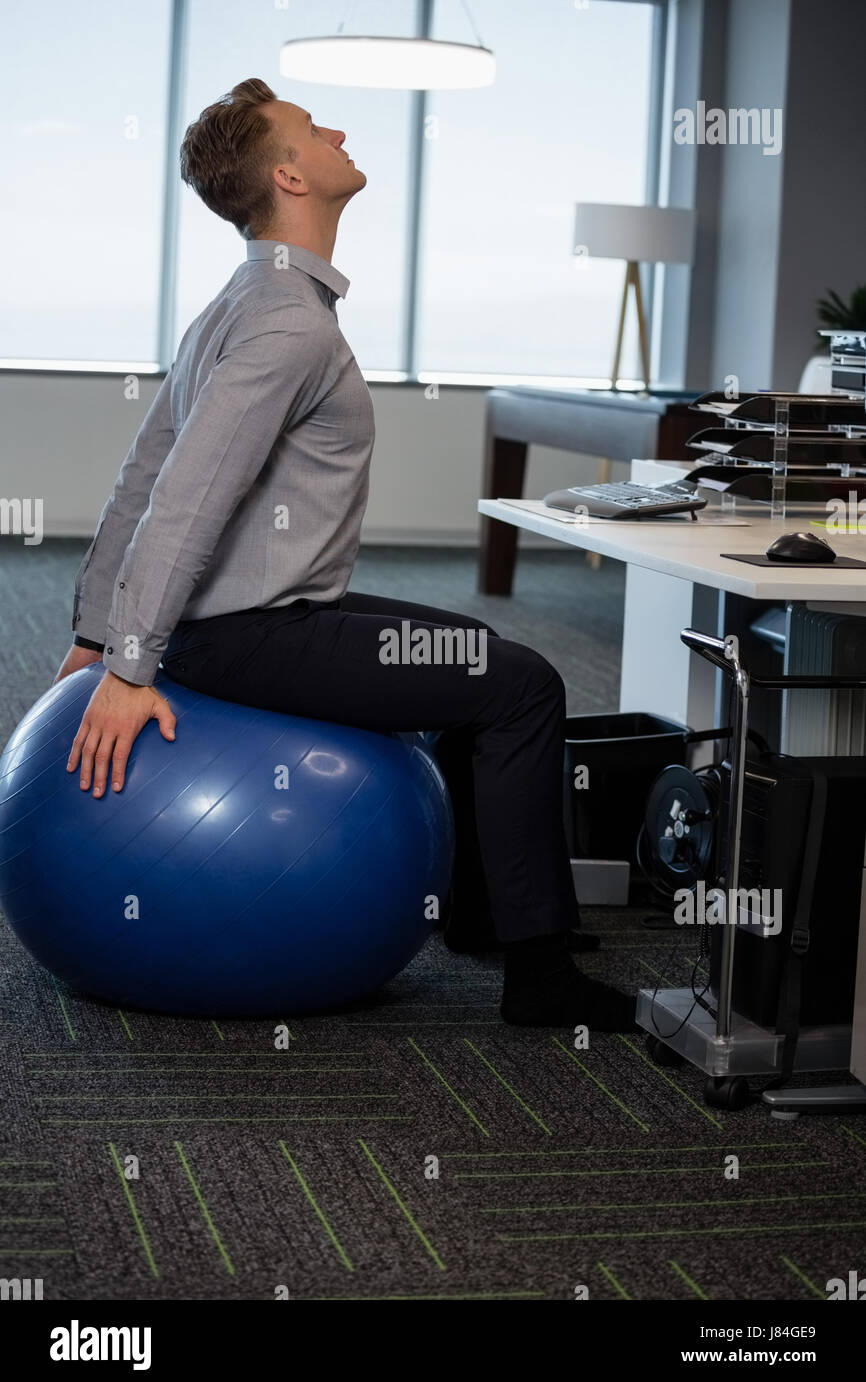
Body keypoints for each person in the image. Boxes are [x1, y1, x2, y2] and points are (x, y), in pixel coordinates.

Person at [55, 78, 637, 1031]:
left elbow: (142, 472)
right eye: (309, 130)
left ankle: (489, 916)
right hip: (253, 636)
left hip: (269, 619)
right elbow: (186, 500)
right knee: (523, 687)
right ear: (289, 175)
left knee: (477, 659)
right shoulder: (287, 323)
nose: (334, 131)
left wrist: (91, 626)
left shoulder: (247, 302)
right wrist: (124, 666)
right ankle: (540, 977)